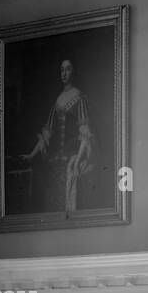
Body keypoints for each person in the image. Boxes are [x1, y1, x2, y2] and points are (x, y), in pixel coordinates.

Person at [19, 58, 94, 213]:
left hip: (72, 160)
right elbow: (47, 133)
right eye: (62, 70)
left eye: (68, 69)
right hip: (56, 164)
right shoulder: (58, 101)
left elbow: (85, 134)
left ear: (74, 72)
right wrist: (31, 155)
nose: (64, 73)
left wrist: (79, 160)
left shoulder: (79, 98)